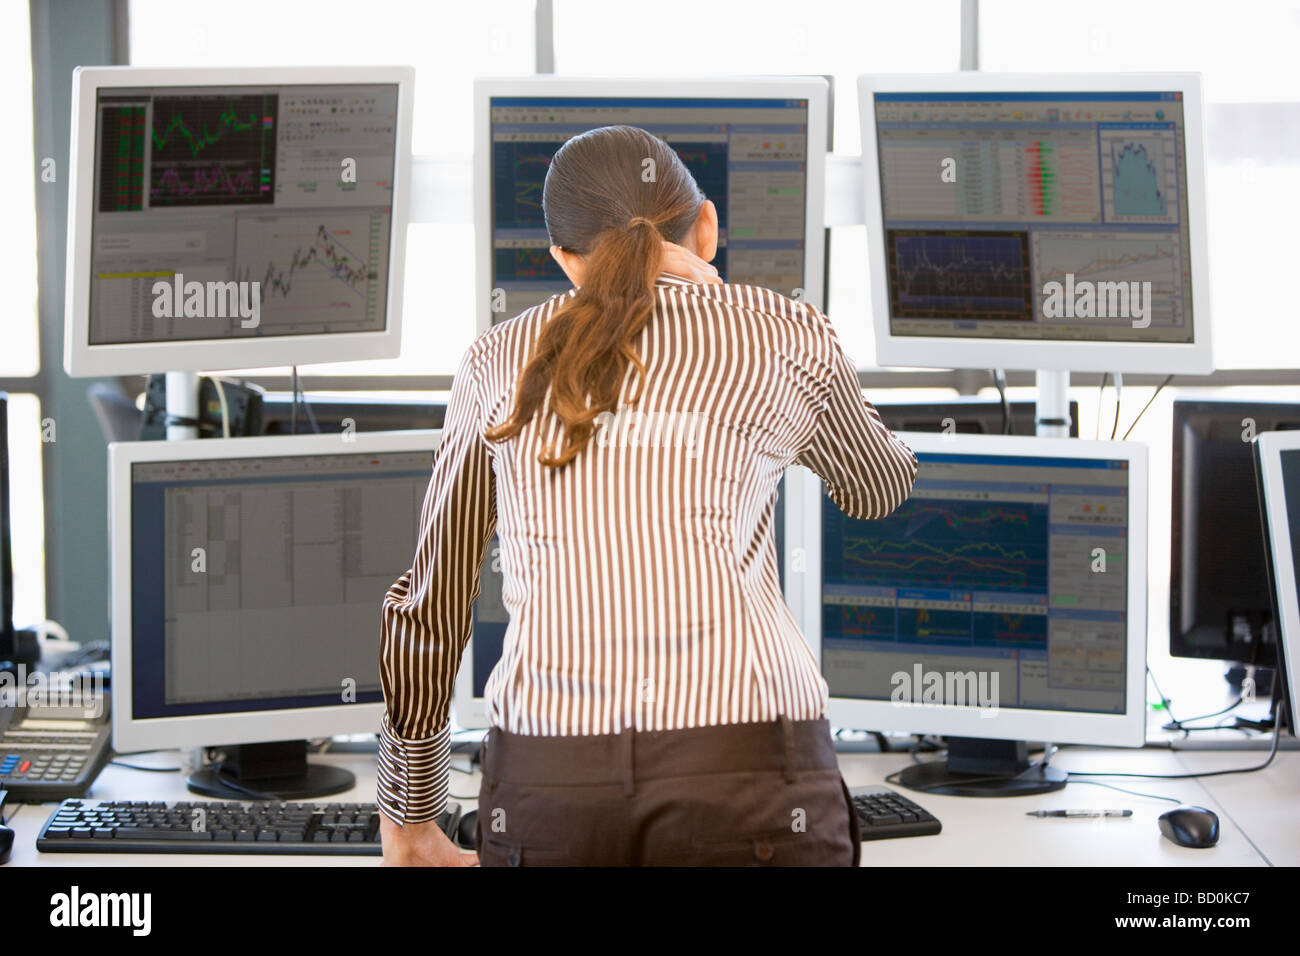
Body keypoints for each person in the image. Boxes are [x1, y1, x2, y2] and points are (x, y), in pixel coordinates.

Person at [378, 124, 917, 866]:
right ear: (707, 227)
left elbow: (432, 604)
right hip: (752, 778)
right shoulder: (786, 334)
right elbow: (875, 489)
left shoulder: (495, 359)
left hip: (551, 786)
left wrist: (410, 812)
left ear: (566, 261)